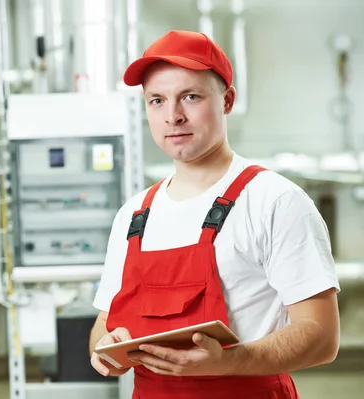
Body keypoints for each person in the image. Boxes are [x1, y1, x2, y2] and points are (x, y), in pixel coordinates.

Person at [89, 30, 341, 398]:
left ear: (227, 101)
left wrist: (227, 362)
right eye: (157, 100)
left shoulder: (275, 201)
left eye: (190, 97)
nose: (172, 116)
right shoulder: (133, 215)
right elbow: (103, 324)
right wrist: (106, 349)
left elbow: (322, 337)